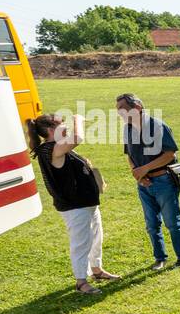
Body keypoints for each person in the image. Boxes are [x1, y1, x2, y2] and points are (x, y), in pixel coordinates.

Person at [26, 113, 119, 294]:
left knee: (95, 237)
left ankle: (97, 270)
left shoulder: (59, 147)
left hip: (87, 202)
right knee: (81, 242)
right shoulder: (49, 149)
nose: (67, 127)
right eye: (62, 124)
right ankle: (81, 282)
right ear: (51, 130)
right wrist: (79, 119)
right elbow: (78, 137)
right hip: (75, 206)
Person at [116, 93, 180, 269]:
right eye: (118, 111)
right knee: (151, 225)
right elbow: (129, 155)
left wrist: (145, 169)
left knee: (172, 222)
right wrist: (138, 175)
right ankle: (160, 258)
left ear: (137, 108)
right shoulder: (128, 128)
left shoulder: (158, 126)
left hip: (164, 181)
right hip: (144, 183)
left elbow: (169, 154)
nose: (120, 114)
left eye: (123, 110)